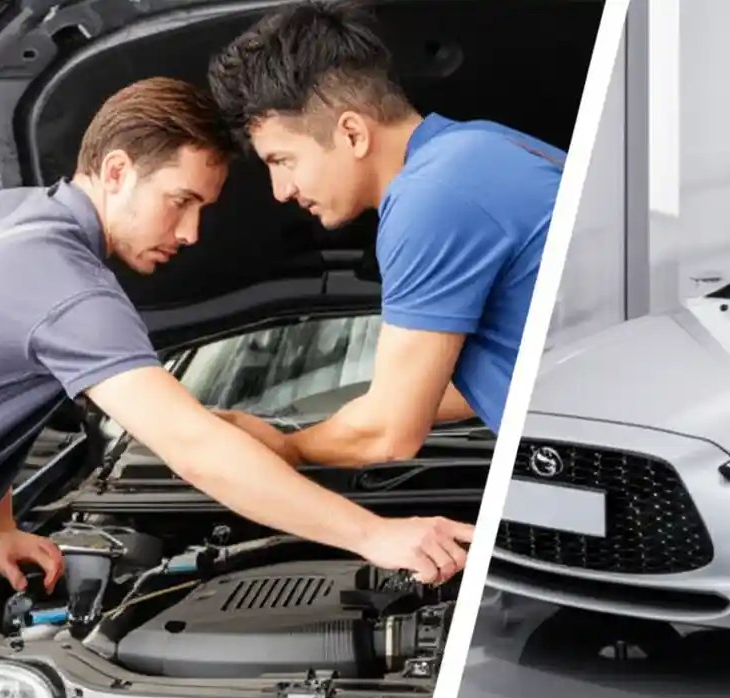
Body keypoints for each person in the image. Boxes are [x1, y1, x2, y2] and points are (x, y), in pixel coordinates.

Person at [0, 77, 473, 698]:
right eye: (180, 201)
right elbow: (194, 446)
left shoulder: (1, 219)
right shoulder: (65, 285)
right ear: (116, 170)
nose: (192, 231)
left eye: (201, 207)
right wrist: (376, 536)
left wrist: (0, 528)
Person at [206, 0, 564, 468]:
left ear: (352, 133)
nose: (280, 191)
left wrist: (287, 449)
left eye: (281, 160)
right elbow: (480, 373)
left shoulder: (430, 197)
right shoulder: (479, 145)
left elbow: (389, 436)